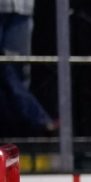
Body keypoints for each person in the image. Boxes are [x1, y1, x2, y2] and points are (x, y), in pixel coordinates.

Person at [0, 0, 55, 135]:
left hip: (23, 7)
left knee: (20, 71)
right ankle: (36, 117)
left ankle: (25, 127)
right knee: (6, 70)